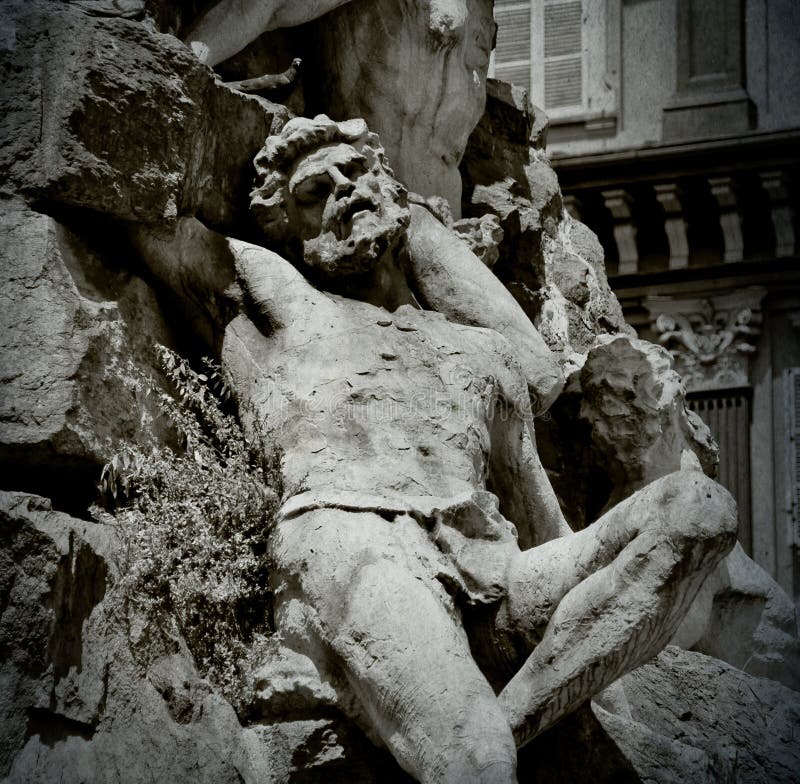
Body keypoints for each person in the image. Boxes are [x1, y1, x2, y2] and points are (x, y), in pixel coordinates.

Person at [133, 116, 738, 783]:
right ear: (288, 230)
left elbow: (539, 514)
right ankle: (474, 739)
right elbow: (148, 220)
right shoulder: (282, 300)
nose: (343, 190)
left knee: (698, 508)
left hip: (493, 559)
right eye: (315, 192)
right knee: (477, 759)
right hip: (356, 541)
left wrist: (611, 688)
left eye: (355, 172)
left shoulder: (485, 352)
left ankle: (506, 725)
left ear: (392, 191)